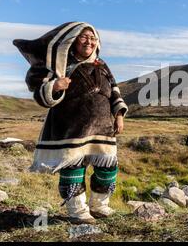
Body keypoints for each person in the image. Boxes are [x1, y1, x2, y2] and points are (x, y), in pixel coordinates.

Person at [14, 22, 128, 224]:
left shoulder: (102, 65)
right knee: (74, 169)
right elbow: (38, 90)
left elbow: (114, 89)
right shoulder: (59, 64)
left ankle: (99, 205)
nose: (89, 42)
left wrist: (118, 114)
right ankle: (77, 211)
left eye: (93, 38)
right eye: (84, 37)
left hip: (103, 128)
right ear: (73, 40)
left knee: (108, 168)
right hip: (71, 127)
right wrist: (55, 86)